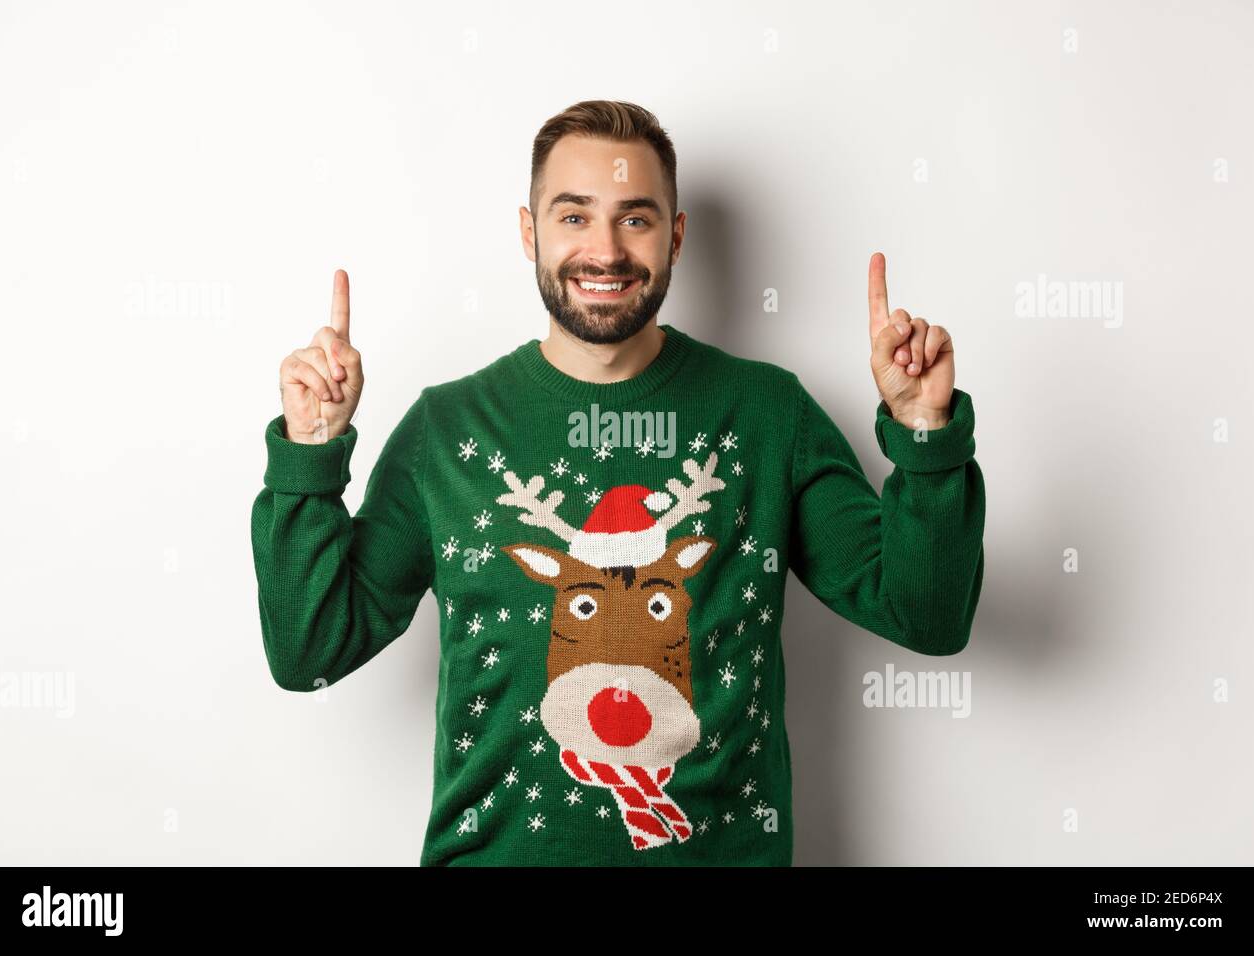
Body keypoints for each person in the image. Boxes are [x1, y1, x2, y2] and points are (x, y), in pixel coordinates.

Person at [251, 99, 985, 866]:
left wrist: (925, 436)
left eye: (635, 219)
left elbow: (926, 617)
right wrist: (310, 453)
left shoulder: (771, 415)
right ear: (530, 233)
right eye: (574, 217)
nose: (604, 250)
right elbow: (309, 653)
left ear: (675, 235)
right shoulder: (447, 430)